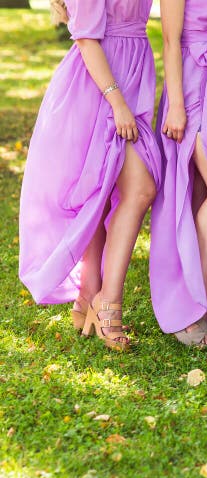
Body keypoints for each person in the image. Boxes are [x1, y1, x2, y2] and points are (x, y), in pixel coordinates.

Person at [19, 0, 161, 351]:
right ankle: (107, 303)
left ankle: (88, 296)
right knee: (140, 188)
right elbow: (85, 38)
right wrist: (117, 102)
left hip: (132, 73)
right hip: (98, 84)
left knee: (105, 191)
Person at [150, 0, 207, 346]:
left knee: (203, 192)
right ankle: (194, 306)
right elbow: (170, 39)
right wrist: (176, 104)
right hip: (193, 79)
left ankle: (195, 300)